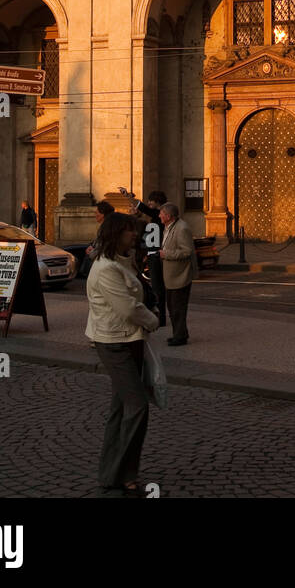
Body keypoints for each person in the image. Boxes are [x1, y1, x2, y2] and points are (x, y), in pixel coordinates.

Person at [86, 212, 160, 497]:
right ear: (115, 234)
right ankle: (123, 472)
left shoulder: (119, 262)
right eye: (129, 231)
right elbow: (128, 307)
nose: (135, 235)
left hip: (128, 340)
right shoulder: (106, 269)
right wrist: (152, 320)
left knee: (120, 410)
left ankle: (112, 473)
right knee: (137, 405)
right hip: (115, 343)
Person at [157, 203, 195, 346]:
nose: (159, 216)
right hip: (171, 275)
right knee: (172, 307)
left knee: (178, 307)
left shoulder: (182, 228)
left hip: (180, 275)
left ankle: (180, 336)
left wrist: (166, 254)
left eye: (161, 213)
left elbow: (187, 251)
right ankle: (179, 334)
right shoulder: (169, 227)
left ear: (168, 216)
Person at [133, 190, 167, 324]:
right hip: (152, 255)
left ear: (157, 202)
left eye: (151, 202)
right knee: (156, 286)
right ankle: (159, 314)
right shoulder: (155, 217)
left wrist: (130, 198)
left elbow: (147, 210)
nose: (149, 204)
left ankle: (161, 317)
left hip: (157, 256)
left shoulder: (159, 215)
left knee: (158, 287)